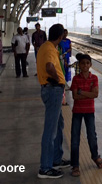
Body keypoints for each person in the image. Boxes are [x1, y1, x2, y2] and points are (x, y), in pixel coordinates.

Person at [36, 23, 70, 178]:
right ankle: (45, 167)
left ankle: (56, 159)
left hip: (52, 90)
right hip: (52, 89)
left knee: (58, 124)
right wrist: (58, 80)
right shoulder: (49, 48)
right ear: (61, 35)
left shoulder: (47, 46)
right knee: (51, 129)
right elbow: (50, 66)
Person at [70, 53, 102, 177]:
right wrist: (87, 93)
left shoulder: (94, 78)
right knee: (75, 138)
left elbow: (95, 94)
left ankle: (95, 156)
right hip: (77, 112)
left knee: (92, 135)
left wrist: (81, 92)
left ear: (90, 65)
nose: (85, 65)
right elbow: (75, 96)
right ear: (79, 64)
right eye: (83, 63)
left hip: (89, 111)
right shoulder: (75, 79)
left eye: (87, 63)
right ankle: (75, 165)